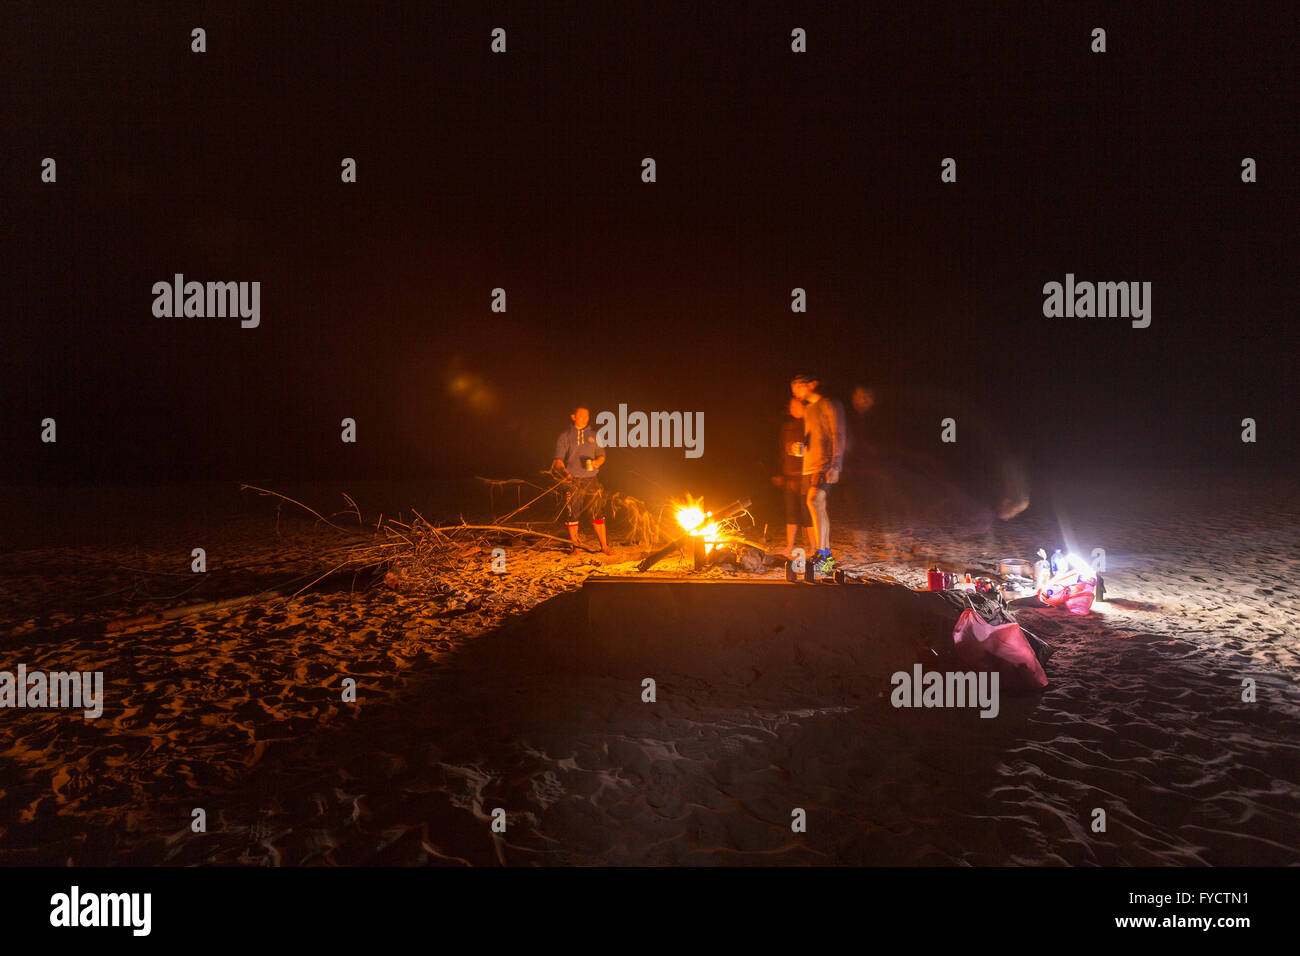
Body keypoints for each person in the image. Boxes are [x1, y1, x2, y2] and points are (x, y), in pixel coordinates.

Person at [791, 374, 846, 573]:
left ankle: (821, 554)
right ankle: (826, 555)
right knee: (818, 506)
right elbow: (812, 437)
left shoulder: (829, 404)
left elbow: (837, 434)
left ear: (811, 384)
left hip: (825, 465)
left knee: (814, 501)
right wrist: (801, 448)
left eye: (797, 387)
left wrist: (836, 465)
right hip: (810, 465)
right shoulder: (808, 409)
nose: (795, 393)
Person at [551, 406, 612, 556]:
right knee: (572, 513)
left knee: (597, 512)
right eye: (581, 415)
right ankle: (575, 547)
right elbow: (558, 460)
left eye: (587, 415)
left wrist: (597, 462)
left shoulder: (594, 435)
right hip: (572, 480)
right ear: (573, 416)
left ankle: (604, 547)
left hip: (591, 479)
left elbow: (602, 456)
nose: (585, 418)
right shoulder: (565, 437)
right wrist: (564, 471)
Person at [772, 396, 813, 554]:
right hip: (789, 475)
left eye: (798, 406)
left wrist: (803, 450)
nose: (795, 409)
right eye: (792, 406)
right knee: (790, 513)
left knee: (806, 513)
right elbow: (781, 452)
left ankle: (812, 546)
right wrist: (779, 473)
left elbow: (814, 449)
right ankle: (790, 546)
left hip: (804, 475)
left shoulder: (809, 426)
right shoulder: (787, 427)